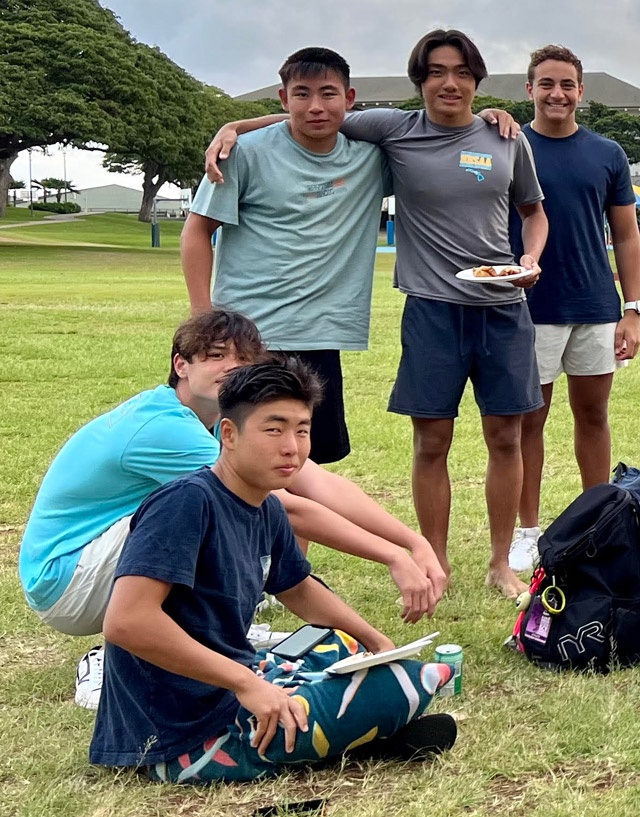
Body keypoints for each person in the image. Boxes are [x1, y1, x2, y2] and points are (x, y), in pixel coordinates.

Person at [206, 29, 547, 596]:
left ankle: (498, 562)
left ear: (477, 80)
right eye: (436, 71)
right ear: (419, 81)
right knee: (431, 441)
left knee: (506, 438)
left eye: (462, 72)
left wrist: (529, 258)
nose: (450, 82)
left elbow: (534, 213)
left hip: (504, 308)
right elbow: (314, 117)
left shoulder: (505, 137)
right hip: (432, 310)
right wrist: (235, 126)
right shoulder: (395, 129)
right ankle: (434, 559)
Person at [20, 312, 444, 710]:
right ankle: (110, 661)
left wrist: (411, 541)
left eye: (243, 358)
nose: (231, 367)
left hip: (91, 563)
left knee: (230, 502)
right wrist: (391, 555)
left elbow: (318, 482)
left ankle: (222, 634)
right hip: (67, 579)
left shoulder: (217, 420)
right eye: (216, 356)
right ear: (181, 365)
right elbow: (288, 510)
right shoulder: (165, 427)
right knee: (220, 506)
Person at [92, 360, 458, 784]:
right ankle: (355, 732)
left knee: (338, 644)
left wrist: (374, 640)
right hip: (178, 733)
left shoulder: (265, 506)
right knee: (404, 683)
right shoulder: (186, 503)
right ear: (228, 434)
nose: (292, 446)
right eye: (274, 429)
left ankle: (344, 727)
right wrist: (248, 685)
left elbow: (300, 590)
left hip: (233, 678)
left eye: (301, 430)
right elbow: (126, 622)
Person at [182, 47, 385, 467]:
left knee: (302, 466)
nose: (315, 106)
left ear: (349, 98)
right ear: (283, 98)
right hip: (248, 339)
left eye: (328, 94)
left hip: (320, 336)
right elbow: (197, 231)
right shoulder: (244, 153)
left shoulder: (370, 158)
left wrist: (492, 118)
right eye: (301, 94)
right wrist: (205, 322)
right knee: (237, 465)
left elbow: (438, 134)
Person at [507, 45, 640, 573]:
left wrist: (632, 308)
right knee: (528, 422)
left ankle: (600, 521)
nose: (557, 94)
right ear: (530, 90)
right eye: (546, 84)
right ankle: (526, 531)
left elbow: (626, 235)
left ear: (581, 92)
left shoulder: (607, 153)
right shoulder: (510, 144)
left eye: (567, 84)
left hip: (594, 305)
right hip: (530, 306)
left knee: (593, 414)